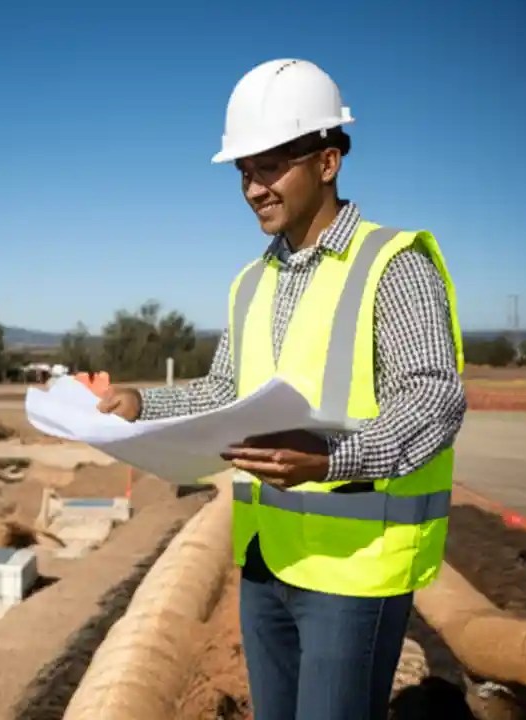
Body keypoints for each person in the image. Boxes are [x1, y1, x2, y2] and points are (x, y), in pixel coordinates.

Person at [97, 59, 466, 720]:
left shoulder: (393, 264)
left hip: (354, 570)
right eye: (244, 171)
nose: (252, 188)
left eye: (270, 166)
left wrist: (329, 458)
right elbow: (224, 391)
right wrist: (143, 404)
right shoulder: (250, 282)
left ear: (328, 161)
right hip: (267, 564)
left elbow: (434, 400)